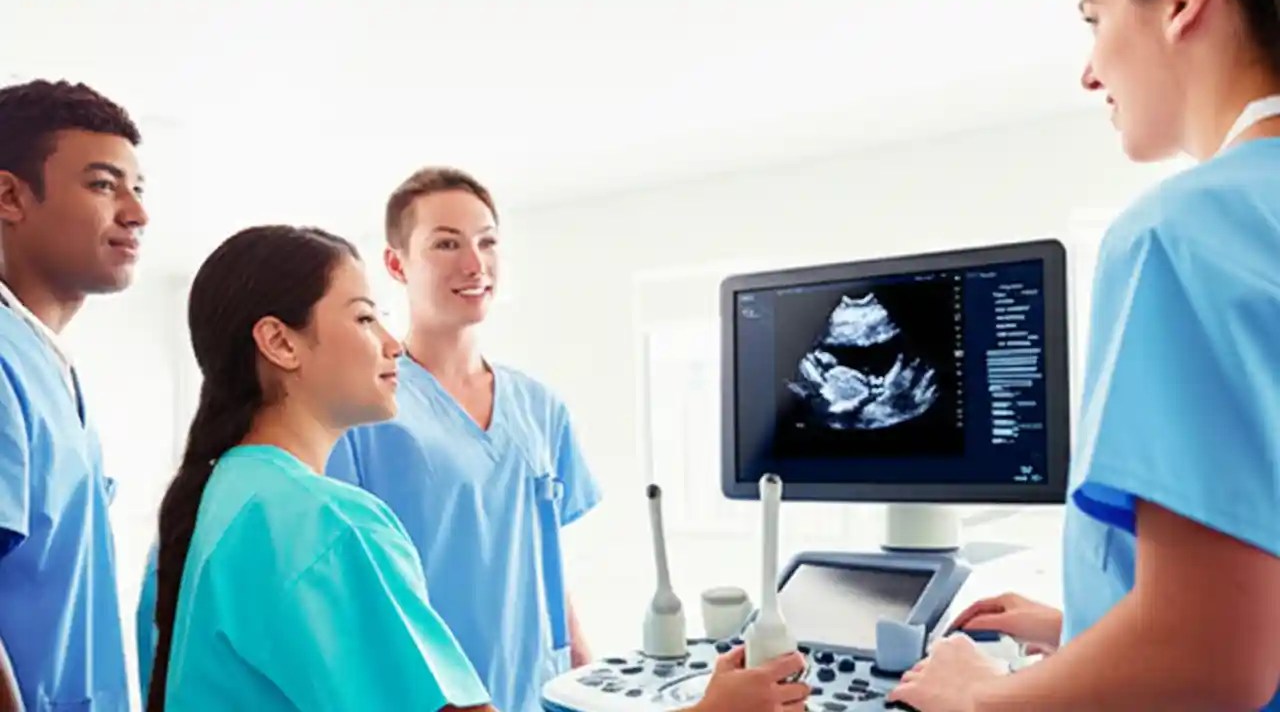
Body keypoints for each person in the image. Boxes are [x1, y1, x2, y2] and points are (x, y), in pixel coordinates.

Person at [147, 224, 809, 712]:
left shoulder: (218, 497)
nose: (387, 342)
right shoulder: (325, 525)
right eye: (363, 316)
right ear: (280, 342)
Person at [888, 0, 1280, 710]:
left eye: (1094, 19)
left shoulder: (1185, 231)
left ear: (1183, 3)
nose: (1089, 74)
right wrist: (1088, 626)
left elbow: (1211, 654)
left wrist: (976, 696)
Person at [323, 166, 598, 712]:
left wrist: (588, 685)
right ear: (396, 264)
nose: (474, 264)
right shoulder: (363, 412)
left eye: (487, 241)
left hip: (536, 692)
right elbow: (351, 598)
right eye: (446, 244)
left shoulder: (541, 408)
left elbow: (548, 571)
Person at [0, 79, 148, 712]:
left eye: (138, 191)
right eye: (103, 184)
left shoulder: (50, 368)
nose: (136, 213)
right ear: (9, 195)